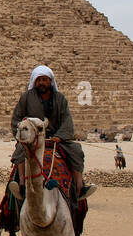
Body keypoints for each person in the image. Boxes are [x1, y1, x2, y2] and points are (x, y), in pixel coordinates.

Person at [9, 65, 94, 202]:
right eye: (38, 80)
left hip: (57, 139)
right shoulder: (26, 98)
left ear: (50, 81)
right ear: (34, 82)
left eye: (44, 80)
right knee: (20, 149)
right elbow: (16, 119)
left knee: (76, 150)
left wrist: (59, 136)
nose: (41, 83)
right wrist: (25, 136)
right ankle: (22, 186)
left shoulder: (60, 99)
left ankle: (80, 187)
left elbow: (67, 121)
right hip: (33, 139)